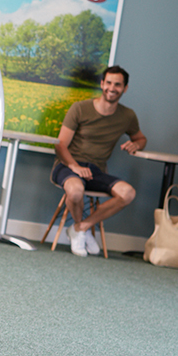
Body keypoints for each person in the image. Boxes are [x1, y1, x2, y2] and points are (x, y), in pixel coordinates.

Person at [53, 65, 147, 256]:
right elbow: (60, 145)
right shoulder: (80, 108)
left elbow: (141, 138)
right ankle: (82, 232)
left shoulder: (127, 116)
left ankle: (80, 228)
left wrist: (136, 145)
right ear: (102, 84)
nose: (112, 88)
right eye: (109, 83)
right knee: (76, 190)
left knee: (128, 193)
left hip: (96, 171)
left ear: (125, 88)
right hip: (67, 166)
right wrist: (75, 167)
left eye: (118, 85)